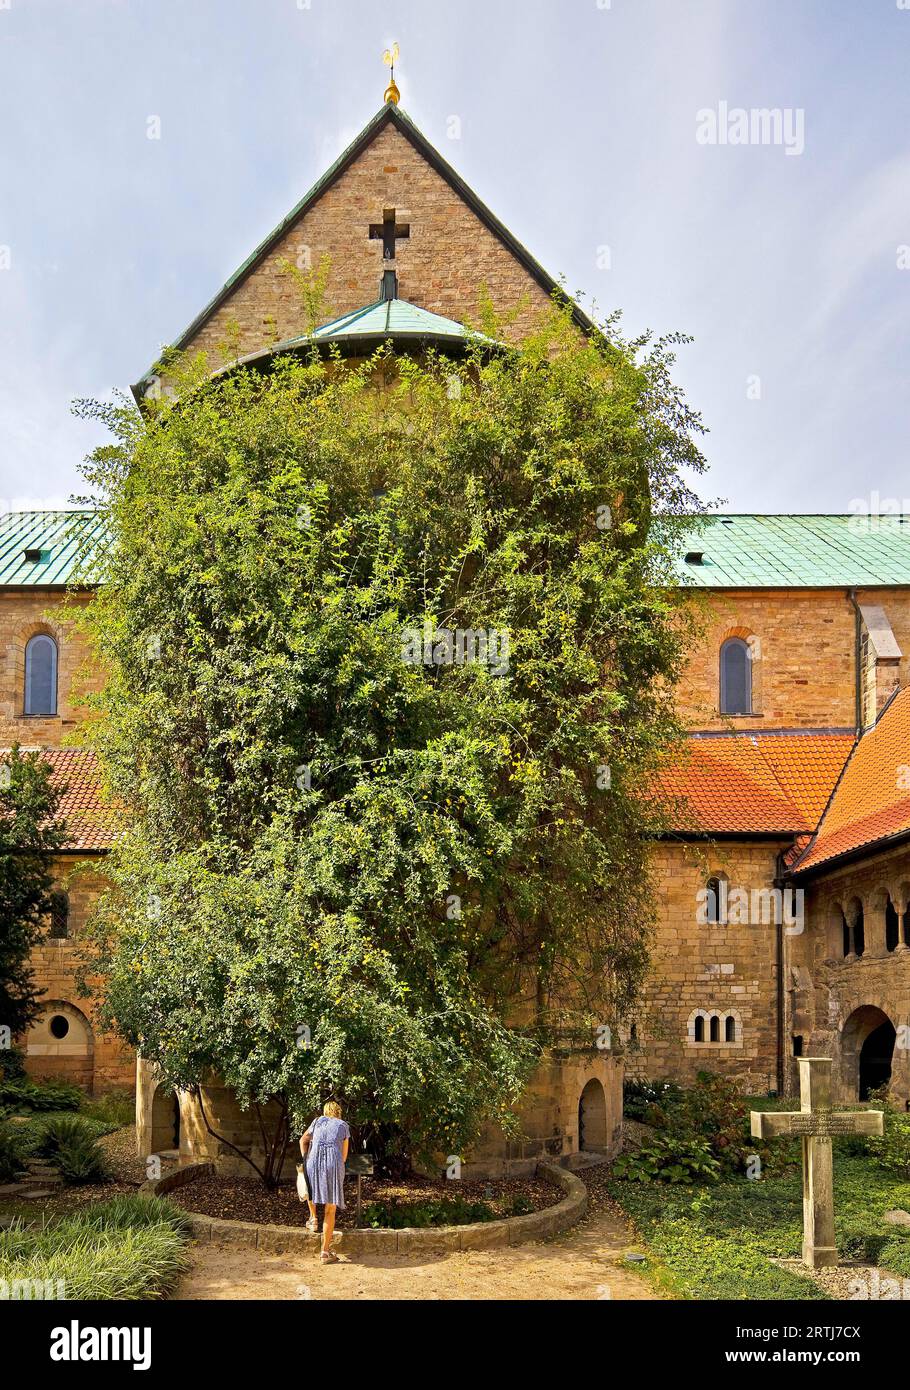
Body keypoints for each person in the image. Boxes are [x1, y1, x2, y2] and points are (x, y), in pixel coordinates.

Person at [299, 1100, 350, 1262]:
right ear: (338, 1112)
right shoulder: (343, 1125)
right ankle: (325, 1253)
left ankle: (313, 1217)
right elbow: (343, 1156)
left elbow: (302, 1140)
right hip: (333, 1165)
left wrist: (306, 1158)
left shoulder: (317, 1121)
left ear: (325, 1111)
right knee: (330, 1210)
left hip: (313, 1162)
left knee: (310, 1189)